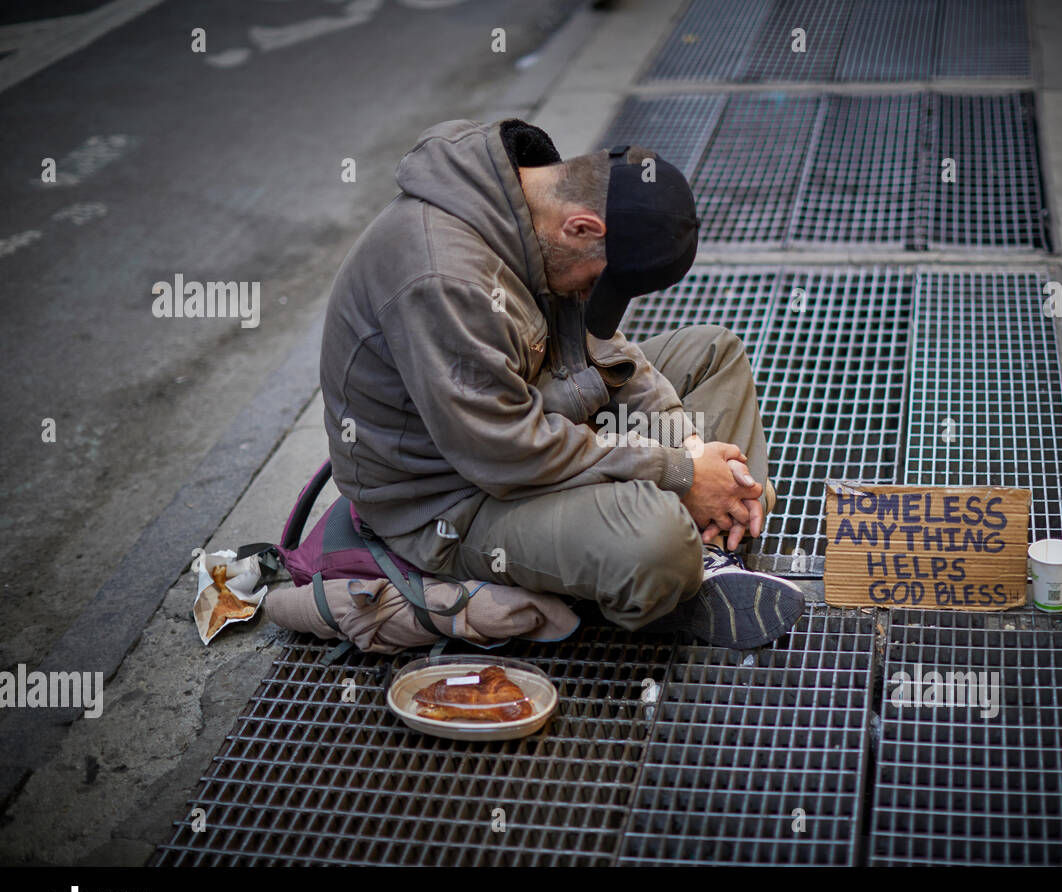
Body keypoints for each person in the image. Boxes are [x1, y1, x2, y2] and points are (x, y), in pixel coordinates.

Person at [319, 117, 805, 650]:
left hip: (541, 412)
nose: (591, 296)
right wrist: (679, 474)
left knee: (713, 353)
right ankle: (682, 559)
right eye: (597, 282)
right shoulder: (444, 280)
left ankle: (714, 538)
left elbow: (609, 352)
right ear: (582, 228)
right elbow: (508, 454)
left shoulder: (534, 211)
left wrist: (690, 447)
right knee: (658, 541)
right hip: (459, 499)